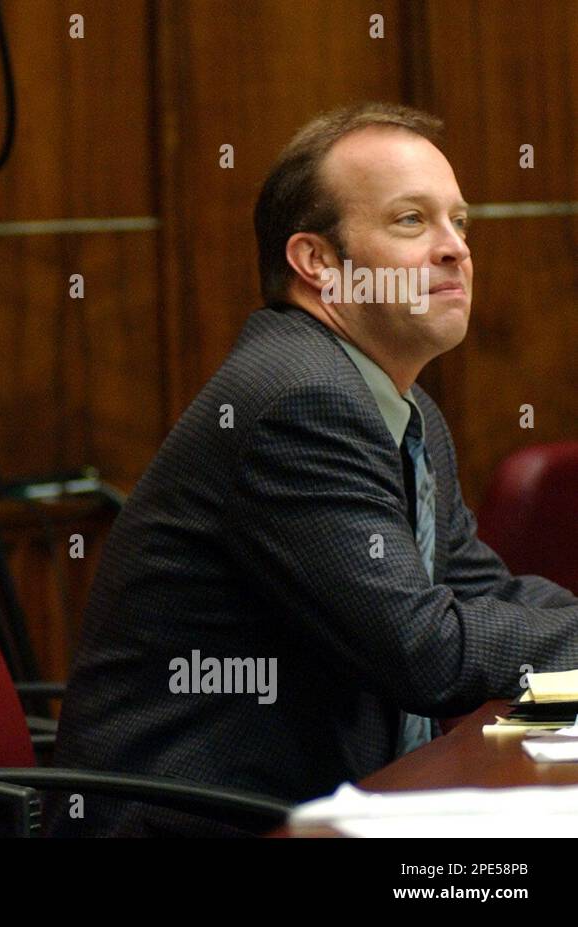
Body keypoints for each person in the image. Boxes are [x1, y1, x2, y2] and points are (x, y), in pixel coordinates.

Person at [51, 102, 578, 837]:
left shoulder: (401, 404)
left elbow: (476, 590)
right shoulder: (301, 400)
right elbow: (424, 650)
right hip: (204, 824)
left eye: (461, 222)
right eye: (410, 221)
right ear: (319, 263)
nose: (455, 248)